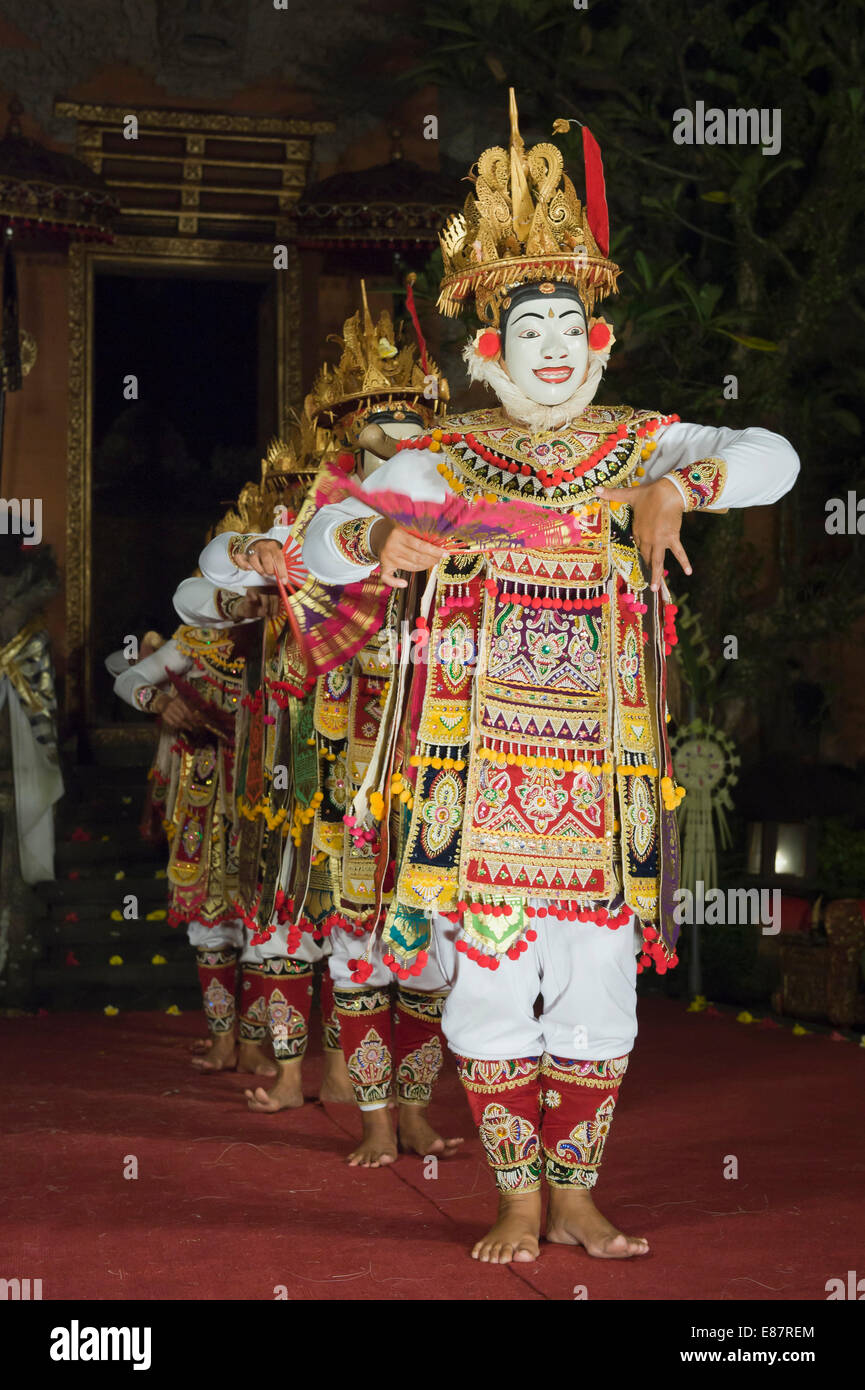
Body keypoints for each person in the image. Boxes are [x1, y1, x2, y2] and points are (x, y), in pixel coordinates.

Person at [292, 92, 799, 1255]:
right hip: (478, 775)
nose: (556, 346)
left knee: (599, 992)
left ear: (600, 340)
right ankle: (515, 1196)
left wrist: (687, 486)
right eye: (530, 332)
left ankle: (575, 1192)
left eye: (571, 324)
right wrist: (381, 541)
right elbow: (325, 536)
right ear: (489, 353)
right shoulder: (449, 454)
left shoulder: (638, 442)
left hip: (606, 771)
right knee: (485, 988)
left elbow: (772, 454)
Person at [198, 289, 462, 1165]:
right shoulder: (320, 521)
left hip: (434, 753)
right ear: (346, 439)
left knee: (428, 944)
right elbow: (202, 575)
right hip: (326, 763)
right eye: (379, 427)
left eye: (411, 422)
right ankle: (348, 1102)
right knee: (335, 927)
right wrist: (255, 554)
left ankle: (413, 1109)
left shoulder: (462, 504)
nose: (398, 438)